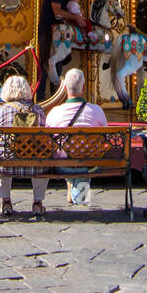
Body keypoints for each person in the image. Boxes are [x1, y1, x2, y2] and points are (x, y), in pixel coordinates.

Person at [0, 74, 49, 217]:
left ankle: (6, 201)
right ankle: (37, 203)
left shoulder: (0, 111)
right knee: (42, 157)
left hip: (5, 164)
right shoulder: (39, 111)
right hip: (35, 163)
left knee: (0, 155)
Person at [45, 67, 106, 206]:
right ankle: (80, 192)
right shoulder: (97, 110)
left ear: (65, 88)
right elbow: (105, 136)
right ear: (83, 87)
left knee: (66, 154)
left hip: (62, 165)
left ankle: (71, 182)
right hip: (89, 164)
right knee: (86, 156)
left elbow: (48, 139)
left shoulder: (55, 112)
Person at [37, 0, 87, 99]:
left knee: (58, 64)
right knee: (44, 63)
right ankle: (40, 96)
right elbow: (57, 11)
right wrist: (76, 17)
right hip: (47, 31)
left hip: (59, 34)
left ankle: (55, 96)